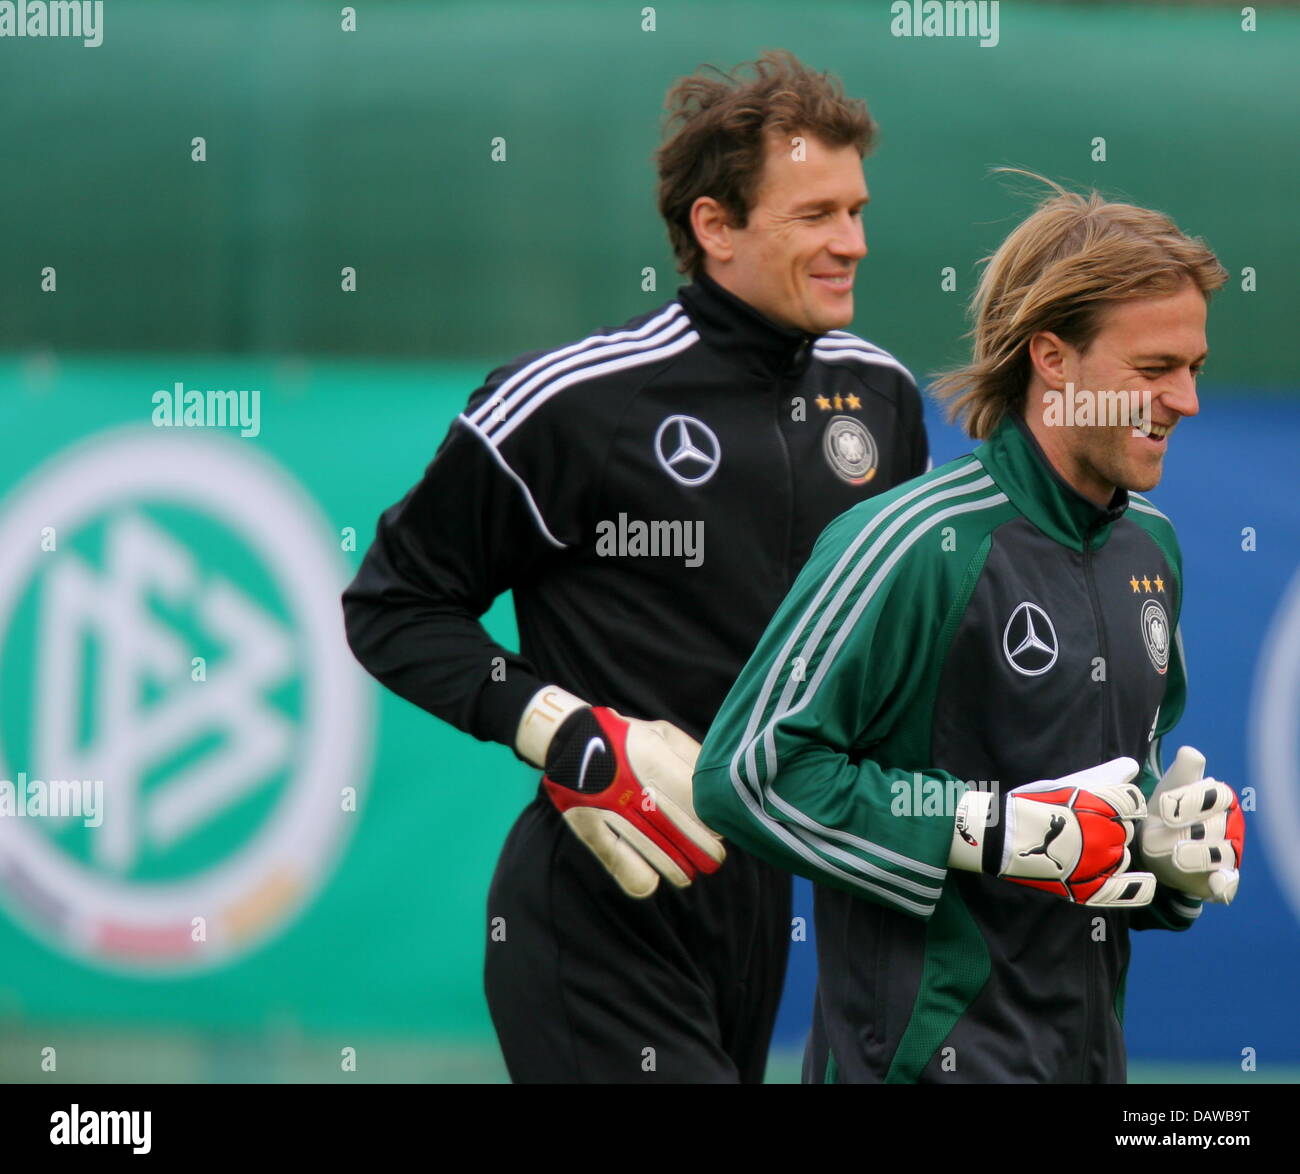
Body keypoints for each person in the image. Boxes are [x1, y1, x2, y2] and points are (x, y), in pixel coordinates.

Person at [341, 50, 930, 1083]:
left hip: (762, 912)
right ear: (714, 228)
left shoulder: (879, 399)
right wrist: (565, 730)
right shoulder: (572, 401)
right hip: (595, 913)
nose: (854, 243)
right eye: (817, 215)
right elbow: (394, 606)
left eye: (857, 209)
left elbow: (893, 664)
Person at [693, 177, 1247, 1084]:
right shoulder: (913, 543)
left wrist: (1159, 851)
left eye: (1194, 368)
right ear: (1053, 360)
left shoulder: (1154, 547)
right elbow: (746, 777)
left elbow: (1091, 804)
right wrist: (985, 828)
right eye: (1153, 371)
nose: (1185, 401)